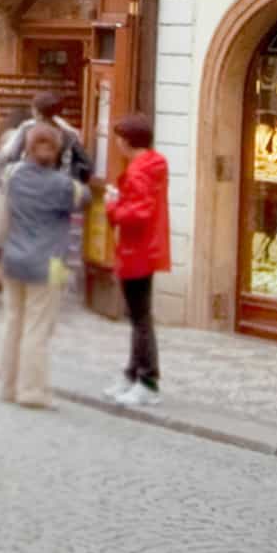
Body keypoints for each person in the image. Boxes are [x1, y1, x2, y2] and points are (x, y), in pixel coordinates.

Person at [0, 121, 86, 411]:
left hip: (13, 258)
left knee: (12, 323)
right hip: (49, 263)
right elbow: (84, 198)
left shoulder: (13, 176)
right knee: (38, 328)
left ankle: (7, 385)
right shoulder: (62, 186)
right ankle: (31, 390)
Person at [103, 114, 170, 409]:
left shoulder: (138, 171)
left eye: (119, 137)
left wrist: (113, 208)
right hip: (148, 248)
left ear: (127, 140)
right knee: (139, 317)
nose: (117, 143)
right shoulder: (152, 164)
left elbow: (138, 213)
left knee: (140, 318)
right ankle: (132, 374)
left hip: (136, 251)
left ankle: (147, 380)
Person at [0, 92, 90, 180]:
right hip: (56, 180)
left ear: (37, 111)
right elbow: (73, 164)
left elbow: (12, 154)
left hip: (29, 178)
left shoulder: (27, 127)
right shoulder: (67, 133)